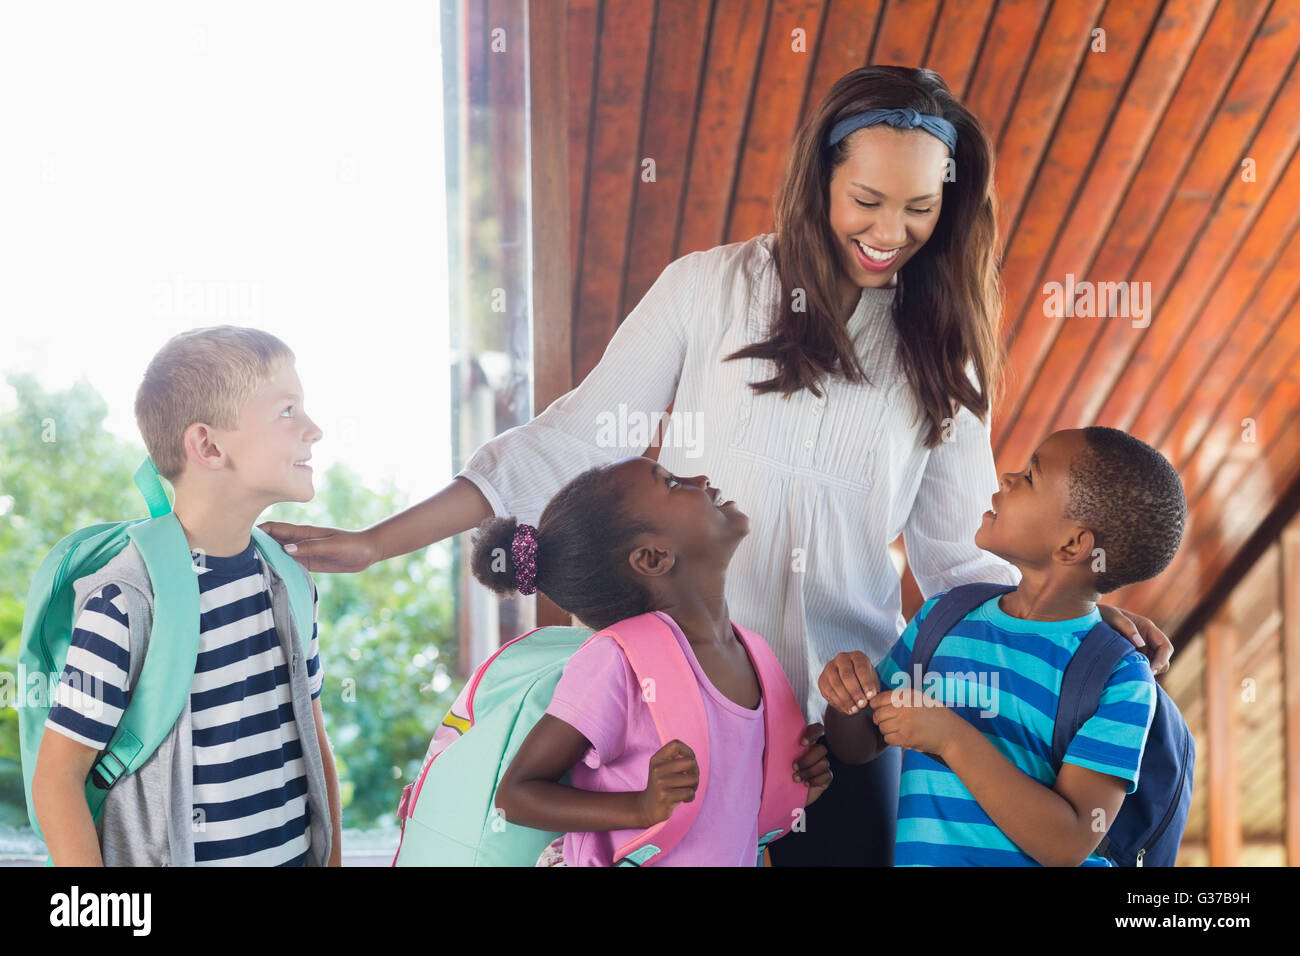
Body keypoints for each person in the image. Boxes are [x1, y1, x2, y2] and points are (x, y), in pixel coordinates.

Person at [259, 66, 1173, 866]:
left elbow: (958, 562)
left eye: (919, 209)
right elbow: (575, 439)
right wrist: (381, 542)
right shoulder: (709, 289)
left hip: (840, 730)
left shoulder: (943, 353)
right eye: (868, 200)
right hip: (676, 717)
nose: (891, 232)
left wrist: (1085, 603)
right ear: (820, 177)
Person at [32, 326, 342, 866]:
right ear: (208, 445)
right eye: (287, 410)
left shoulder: (290, 582)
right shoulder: (124, 604)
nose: (313, 430)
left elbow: (314, 740)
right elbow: (56, 782)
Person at [818, 427, 1186, 865]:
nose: (1008, 478)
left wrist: (951, 739)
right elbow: (859, 746)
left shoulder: (1120, 680)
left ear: (1072, 545)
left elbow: (1068, 841)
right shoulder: (942, 618)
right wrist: (848, 698)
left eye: (1031, 476)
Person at [475, 455, 830, 866]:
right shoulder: (617, 661)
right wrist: (639, 808)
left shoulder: (756, 656)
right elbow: (515, 795)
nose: (700, 477)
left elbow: (727, 810)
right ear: (654, 558)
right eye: (673, 484)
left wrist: (796, 783)